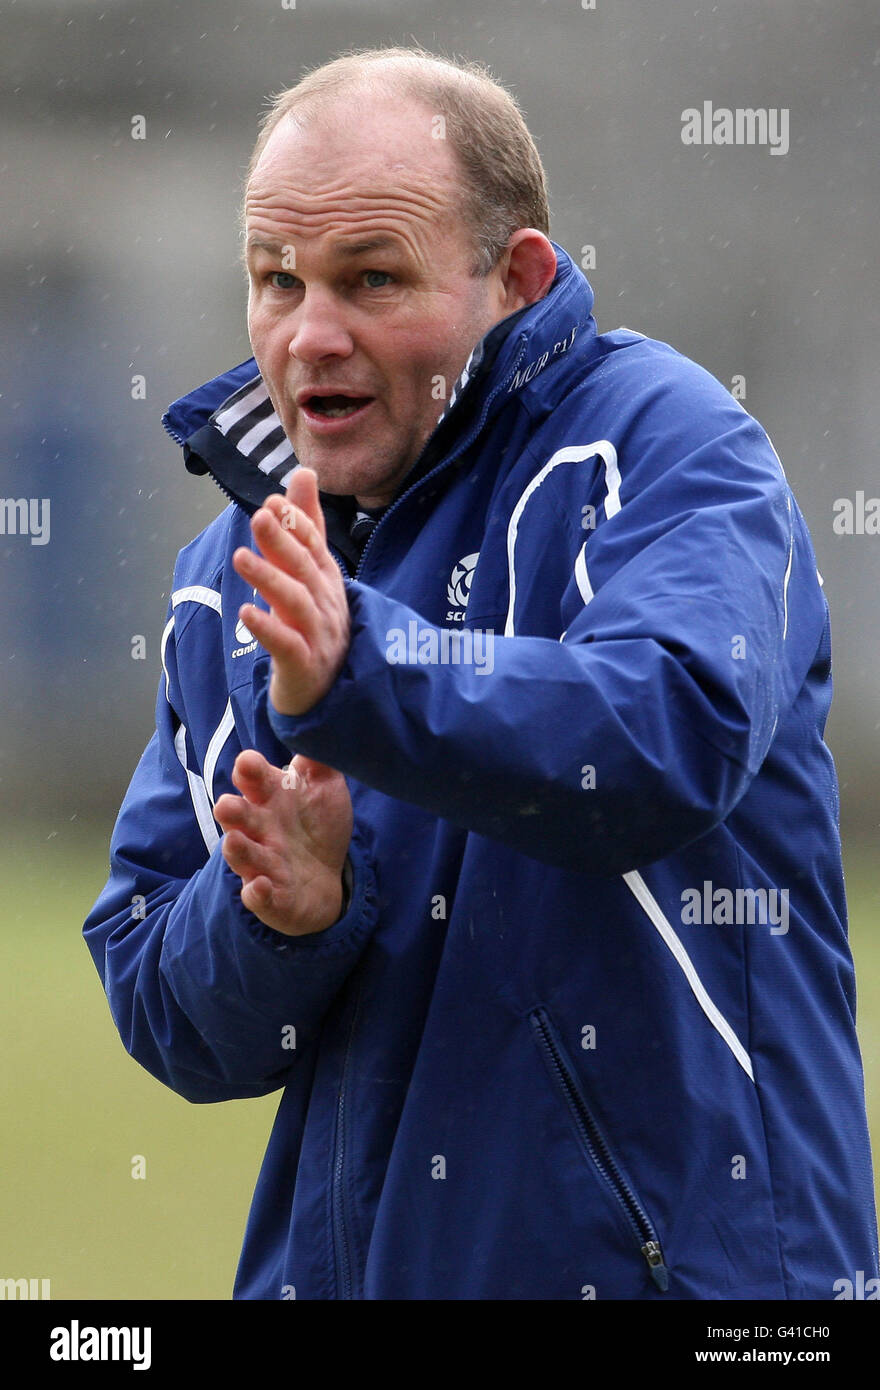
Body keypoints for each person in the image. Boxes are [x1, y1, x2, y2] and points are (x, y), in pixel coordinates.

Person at [84, 45, 878, 1300]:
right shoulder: (231, 566)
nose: (311, 333)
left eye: (372, 278)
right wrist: (280, 918)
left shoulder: (664, 442)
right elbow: (164, 1005)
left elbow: (677, 724)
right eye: (276, 279)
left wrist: (368, 670)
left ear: (515, 279)